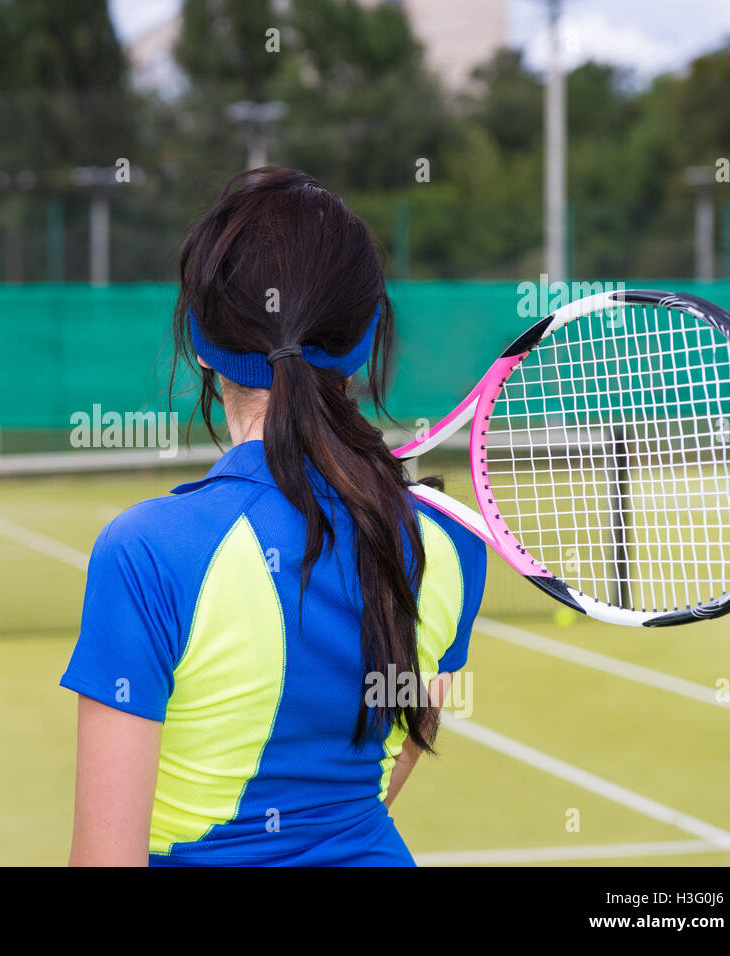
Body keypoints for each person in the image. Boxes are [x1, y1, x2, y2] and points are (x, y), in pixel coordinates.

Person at [60, 168, 486, 866]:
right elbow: (384, 772)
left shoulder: (147, 551)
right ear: (366, 333)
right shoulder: (452, 542)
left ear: (199, 340)